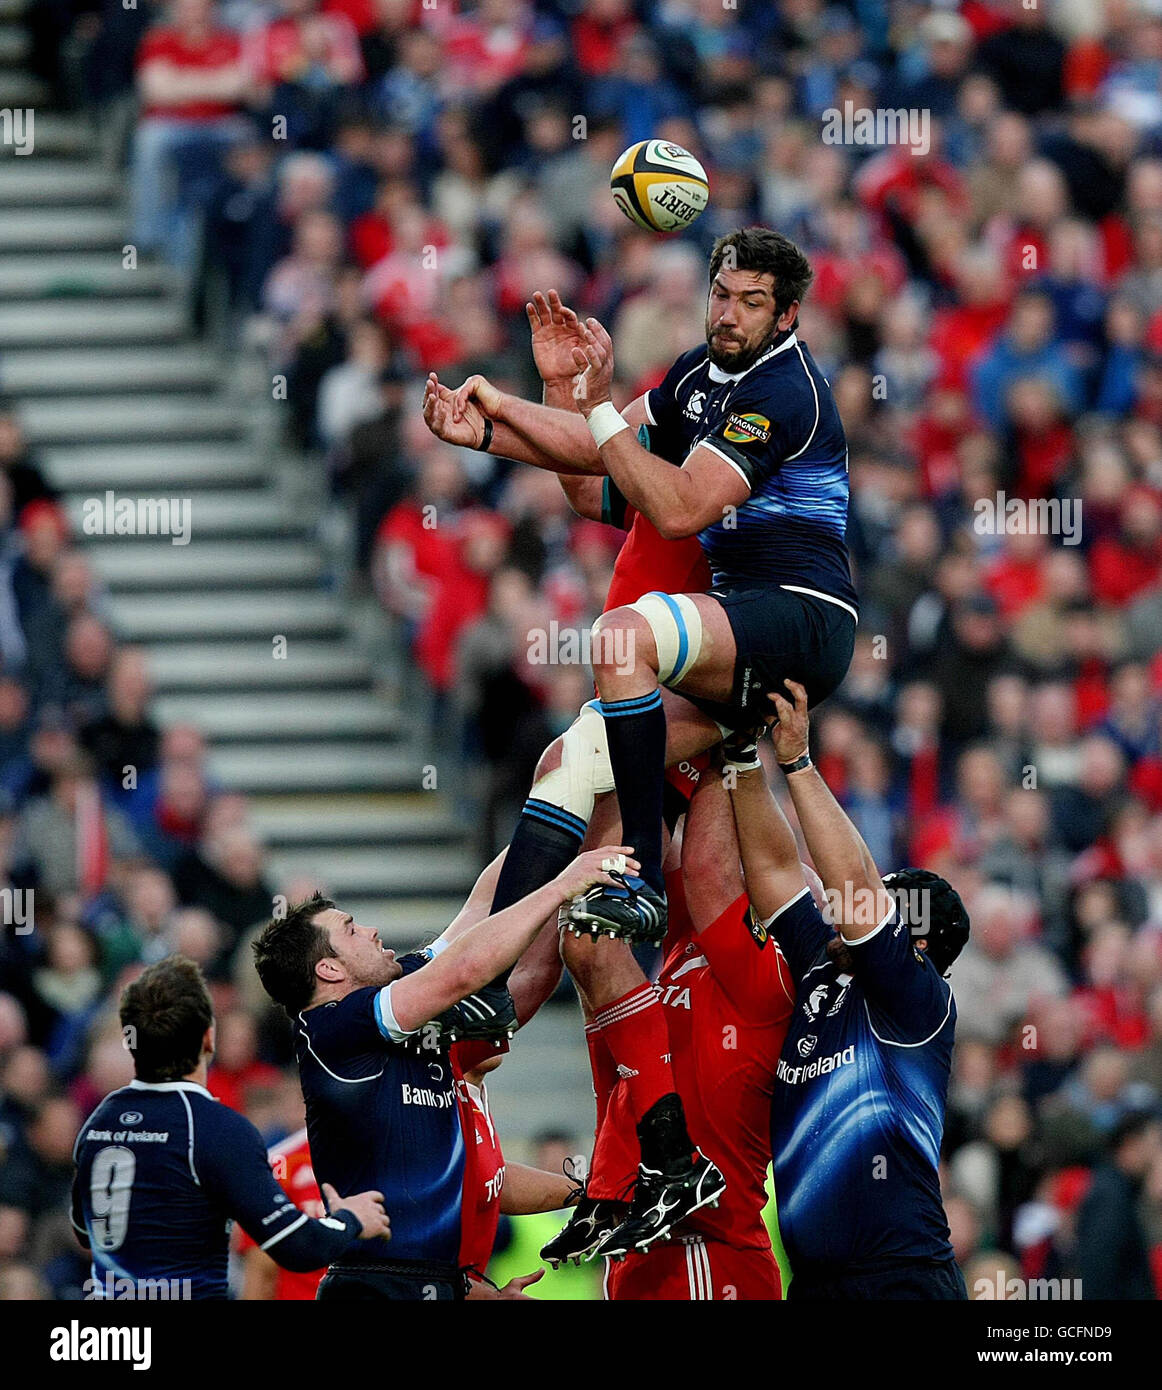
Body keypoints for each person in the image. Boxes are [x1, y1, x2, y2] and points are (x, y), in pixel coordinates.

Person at [420, 226, 856, 1251]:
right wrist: (493, 420)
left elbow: (665, 495)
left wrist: (599, 403)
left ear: (786, 314)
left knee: (616, 639)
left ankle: (607, 910)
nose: (728, 312)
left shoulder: (779, 390)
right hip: (719, 650)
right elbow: (595, 473)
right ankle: (490, 1021)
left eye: (751, 301)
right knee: (565, 773)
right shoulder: (704, 376)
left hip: (790, 619)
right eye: (721, 292)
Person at [251, 841, 630, 1299]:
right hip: (374, 1286)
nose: (371, 929)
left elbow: (484, 913)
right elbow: (470, 970)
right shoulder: (349, 1030)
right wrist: (561, 885)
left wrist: (561, 821)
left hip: (431, 1282)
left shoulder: (413, 1044)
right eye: (351, 929)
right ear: (329, 968)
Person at [730, 681, 971, 1299]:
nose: (845, 908)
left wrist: (799, 762)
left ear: (917, 947)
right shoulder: (825, 964)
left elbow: (855, 890)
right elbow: (776, 872)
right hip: (816, 1285)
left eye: (892, 906)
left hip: (900, 1281)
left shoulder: (919, 1003)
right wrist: (741, 757)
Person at [547, 748, 797, 1286]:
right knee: (588, 929)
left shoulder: (768, 977)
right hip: (641, 1235)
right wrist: (635, 740)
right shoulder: (692, 948)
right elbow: (647, 854)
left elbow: (707, 867)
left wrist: (724, 737)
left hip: (708, 1249)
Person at [70, 956, 389, 1301]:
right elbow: (297, 1246)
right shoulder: (215, 1127)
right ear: (208, 1038)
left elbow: (84, 1230)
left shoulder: (100, 1120)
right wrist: (350, 1219)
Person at [1075, 1110, 1161, 1300]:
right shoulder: (1110, 1197)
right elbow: (1098, 1271)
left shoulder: (1123, 1190)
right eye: (1155, 1144)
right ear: (1130, 1144)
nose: (1157, 1153)